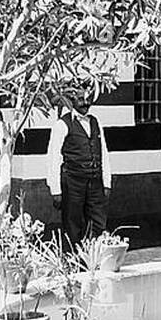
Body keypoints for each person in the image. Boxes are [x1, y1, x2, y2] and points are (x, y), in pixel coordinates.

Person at [46, 87, 112, 249]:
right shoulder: (63, 124)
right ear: (71, 101)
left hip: (95, 181)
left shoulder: (95, 121)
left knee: (98, 220)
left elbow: (103, 151)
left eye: (88, 99)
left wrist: (106, 182)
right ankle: (74, 260)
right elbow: (54, 157)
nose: (86, 103)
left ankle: (94, 256)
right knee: (73, 222)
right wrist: (56, 190)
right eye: (81, 99)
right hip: (73, 181)